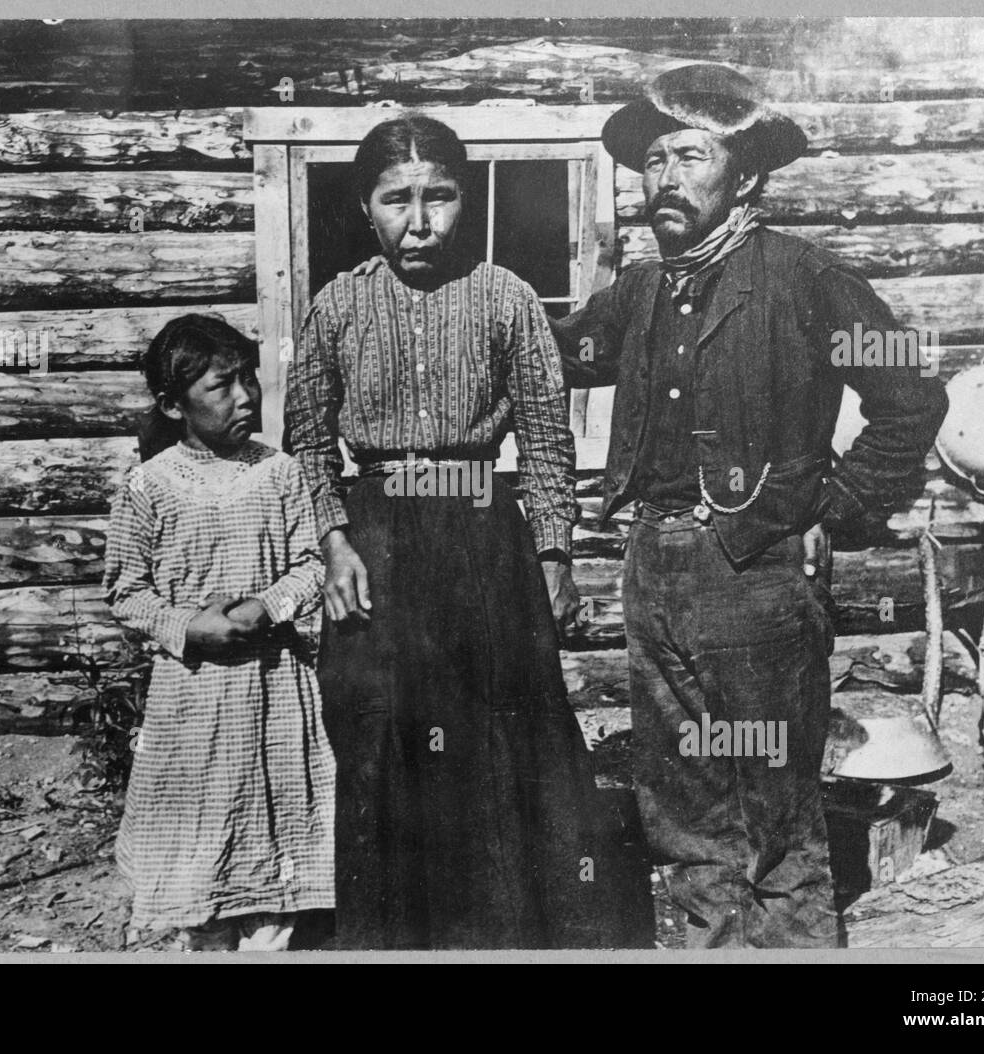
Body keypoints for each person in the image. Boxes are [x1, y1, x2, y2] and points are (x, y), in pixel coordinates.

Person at [552, 64, 949, 947]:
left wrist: (833, 508)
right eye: (653, 160)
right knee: (685, 807)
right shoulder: (642, 291)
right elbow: (560, 350)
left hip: (760, 580)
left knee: (773, 813)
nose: (665, 179)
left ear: (746, 175)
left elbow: (912, 397)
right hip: (653, 568)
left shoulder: (806, 280)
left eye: (690, 155)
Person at [285, 114, 625, 949]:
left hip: (482, 536)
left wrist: (552, 553)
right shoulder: (337, 305)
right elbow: (306, 437)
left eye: (439, 197)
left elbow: (547, 435)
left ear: (464, 200)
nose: (420, 220)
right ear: (367, 208)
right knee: (379, 740)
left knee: (500, 742)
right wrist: (333, 542)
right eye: (398, 199)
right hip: (376, 544)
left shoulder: (506, 297)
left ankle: (505, 934)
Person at [105, 314, 335, 951]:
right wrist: (189, 627)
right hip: (193, 702)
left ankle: (268, 933)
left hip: (276, 694)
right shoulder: (149, 487)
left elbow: (313, 565)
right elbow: (126, 592)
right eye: (220, 386)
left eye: (248, 379)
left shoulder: (281, 473)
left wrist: (266, 606)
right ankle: (207, 935)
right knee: (199, 848)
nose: (244, 397)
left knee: (276, 842)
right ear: (172, 405)